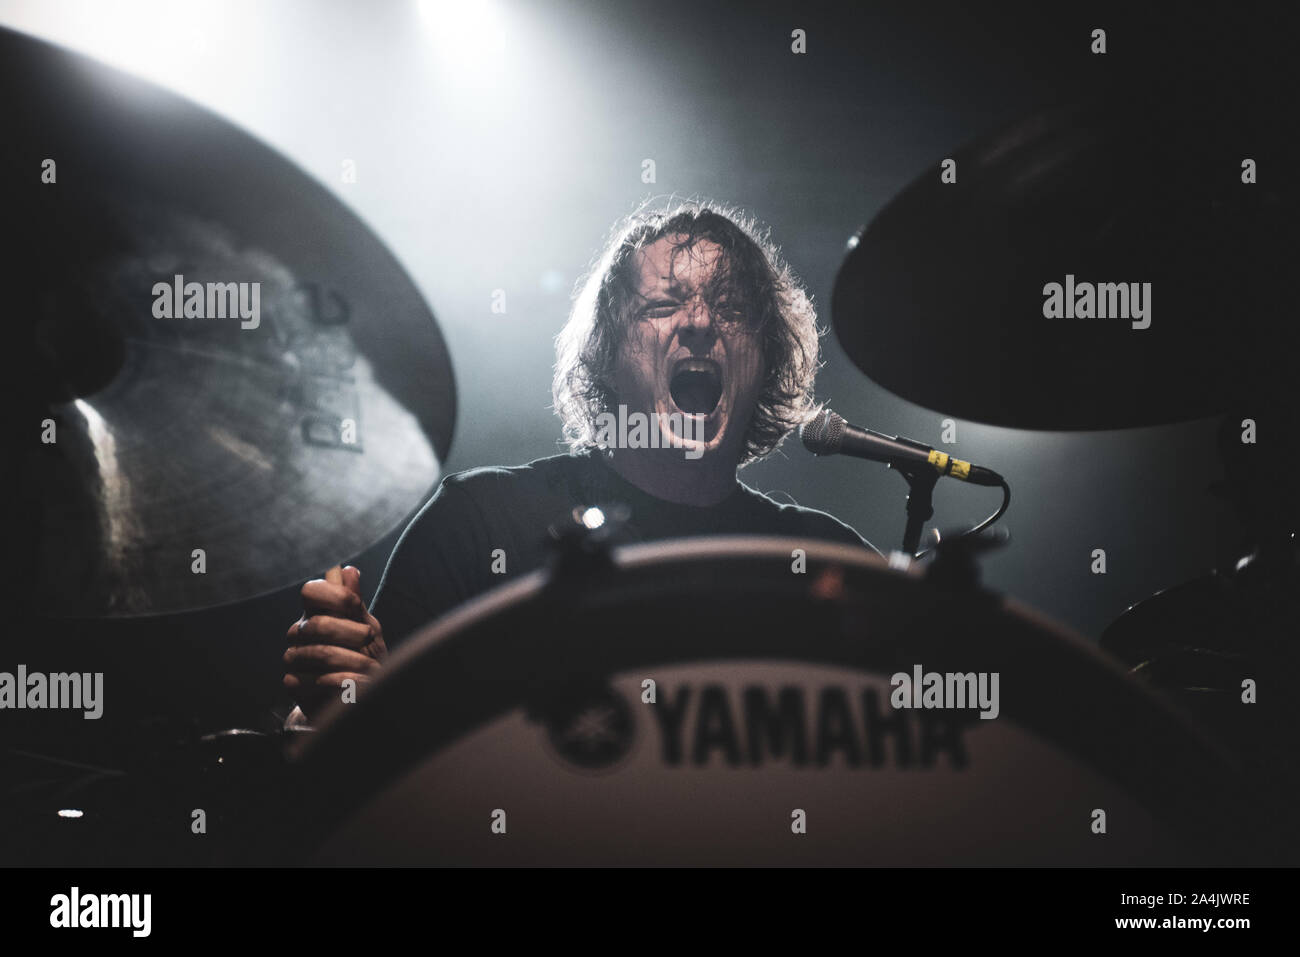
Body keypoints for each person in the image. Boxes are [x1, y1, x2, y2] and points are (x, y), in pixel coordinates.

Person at [282, 201, 875, 724]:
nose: (699, 322)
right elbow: (377, 769)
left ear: (766, 360)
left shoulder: (825, 560)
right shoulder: (477, 523)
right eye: (662, 305)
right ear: (607, 359)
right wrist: (351, 706)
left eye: (732, 308)